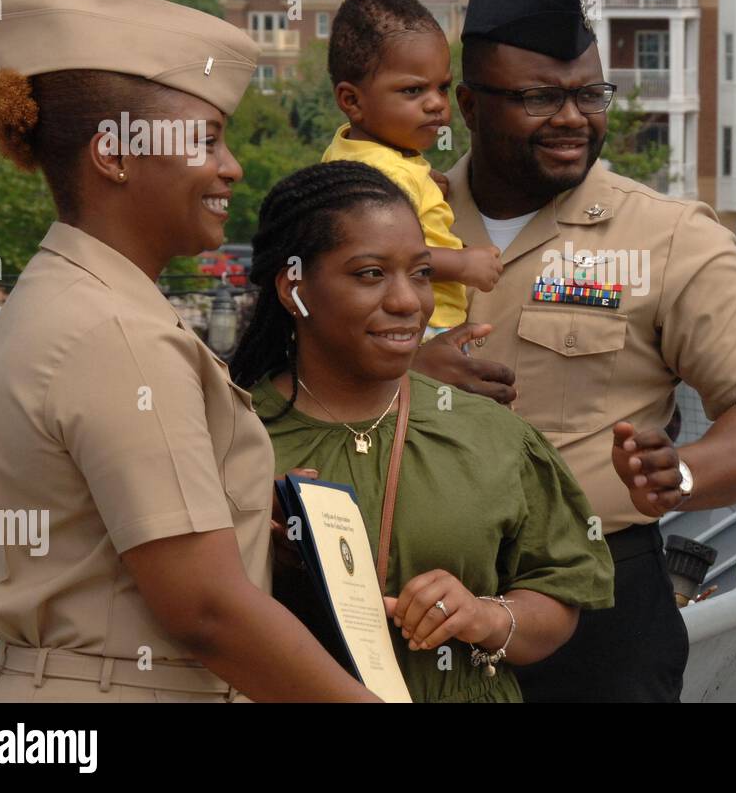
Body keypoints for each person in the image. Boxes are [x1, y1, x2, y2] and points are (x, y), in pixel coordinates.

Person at [0, 0, 377, 702]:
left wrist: (249, 517)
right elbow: (208, 610)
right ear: (114, 153)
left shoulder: (69, 294)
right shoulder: (118, 332)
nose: (231, 166)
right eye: (206, 139)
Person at [411, 0, 736, 702]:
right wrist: (406, 379)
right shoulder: (395, 221)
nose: (573, 118)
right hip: (410, 601)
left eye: (590, 94)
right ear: (469, 104)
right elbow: (288, 379)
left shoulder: (665, 237)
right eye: (538, 97)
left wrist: (681, 475)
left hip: (598, 606)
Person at [227, 159, 615, 702]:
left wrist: (484, 616)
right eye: (369, 274)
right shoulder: (230, 437)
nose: (408, 301)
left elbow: (558, 593)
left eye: (421, 272)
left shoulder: (489, 434)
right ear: (294, 289)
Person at [322, 0, 502, 342]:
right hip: (415, 328)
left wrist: (421, 181)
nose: (436, 103)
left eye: (442, 88)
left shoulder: (356, 152)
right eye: (413, 91)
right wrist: (465, 264)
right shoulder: (381, 176)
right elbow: (388, 258)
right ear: (351, 100)